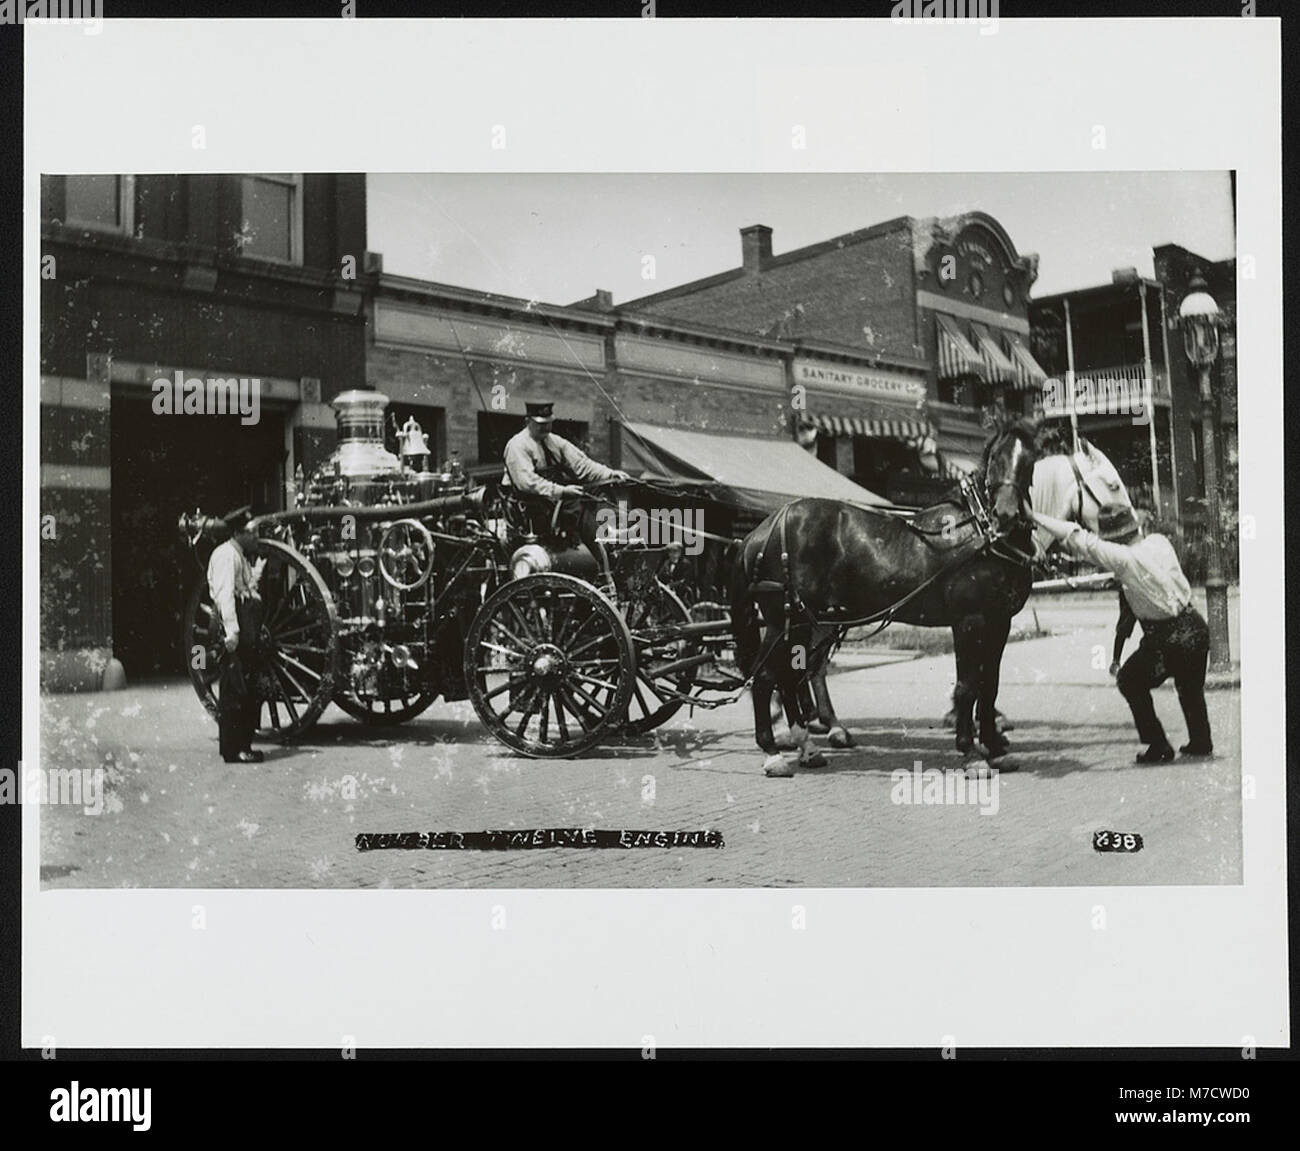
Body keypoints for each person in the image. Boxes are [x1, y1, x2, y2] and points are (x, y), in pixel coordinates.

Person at [1033, 504, 1212, 763]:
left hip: (1167, 637)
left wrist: (1034, 515)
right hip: (1195, 627)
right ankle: (1201, 741)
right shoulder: (1159, 542)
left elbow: (1077, 538)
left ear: (1113, 539)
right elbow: (1152, 576)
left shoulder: (1124, 558)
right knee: (1190, 687)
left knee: (1129, 680)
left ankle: (1158, 745)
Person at [499, 400, 628, 594]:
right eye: (540, 423)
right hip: (529, 512)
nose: (545, 427)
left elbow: (583, 466)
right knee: (576, 501)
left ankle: (611, 534)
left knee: (597, 491)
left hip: (551, 504)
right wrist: (561, 491)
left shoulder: (555, 442)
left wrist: (609, 474)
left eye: (548, 422)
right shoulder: (517, 445)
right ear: (528, 421)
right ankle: (604, 551)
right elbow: (527, 483)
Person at [207, 508, 265, 764]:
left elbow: (243, 588)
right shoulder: (225, 556)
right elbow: (225, 596)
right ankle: (233, 750)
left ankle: (243, 745)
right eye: (251, 532)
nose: (255, 537)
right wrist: (232, 632)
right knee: (234, 690)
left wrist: (257, 573)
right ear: (238, 533)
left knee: (246, 688)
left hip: (244, 625)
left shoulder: (237, 554)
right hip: (233, 627)